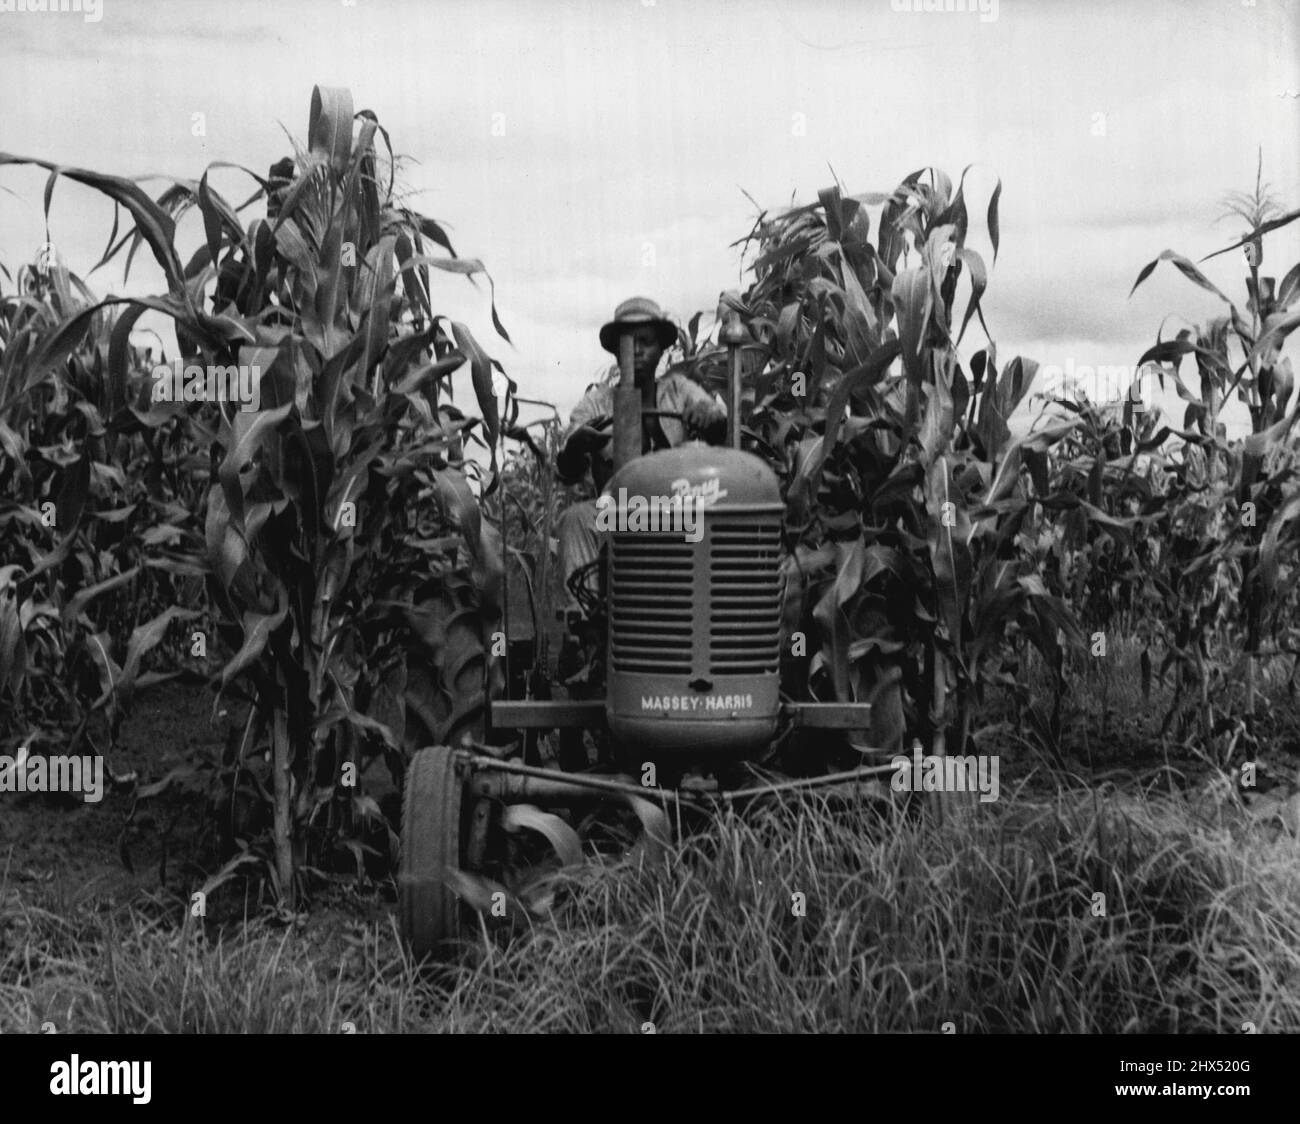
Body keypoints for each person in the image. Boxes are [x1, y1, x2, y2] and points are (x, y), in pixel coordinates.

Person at [555, 297, 727, 625]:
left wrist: (708, 415)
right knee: (576, 519)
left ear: (662, 349)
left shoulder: (680, 391)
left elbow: (717, 419)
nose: (636, 351)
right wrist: (577, 446)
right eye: (628, 343)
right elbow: (568, 468)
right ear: (616, 351)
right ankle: (583, 631)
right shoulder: (596, 403)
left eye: (645, 342)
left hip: (676, 516)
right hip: (618, 517)